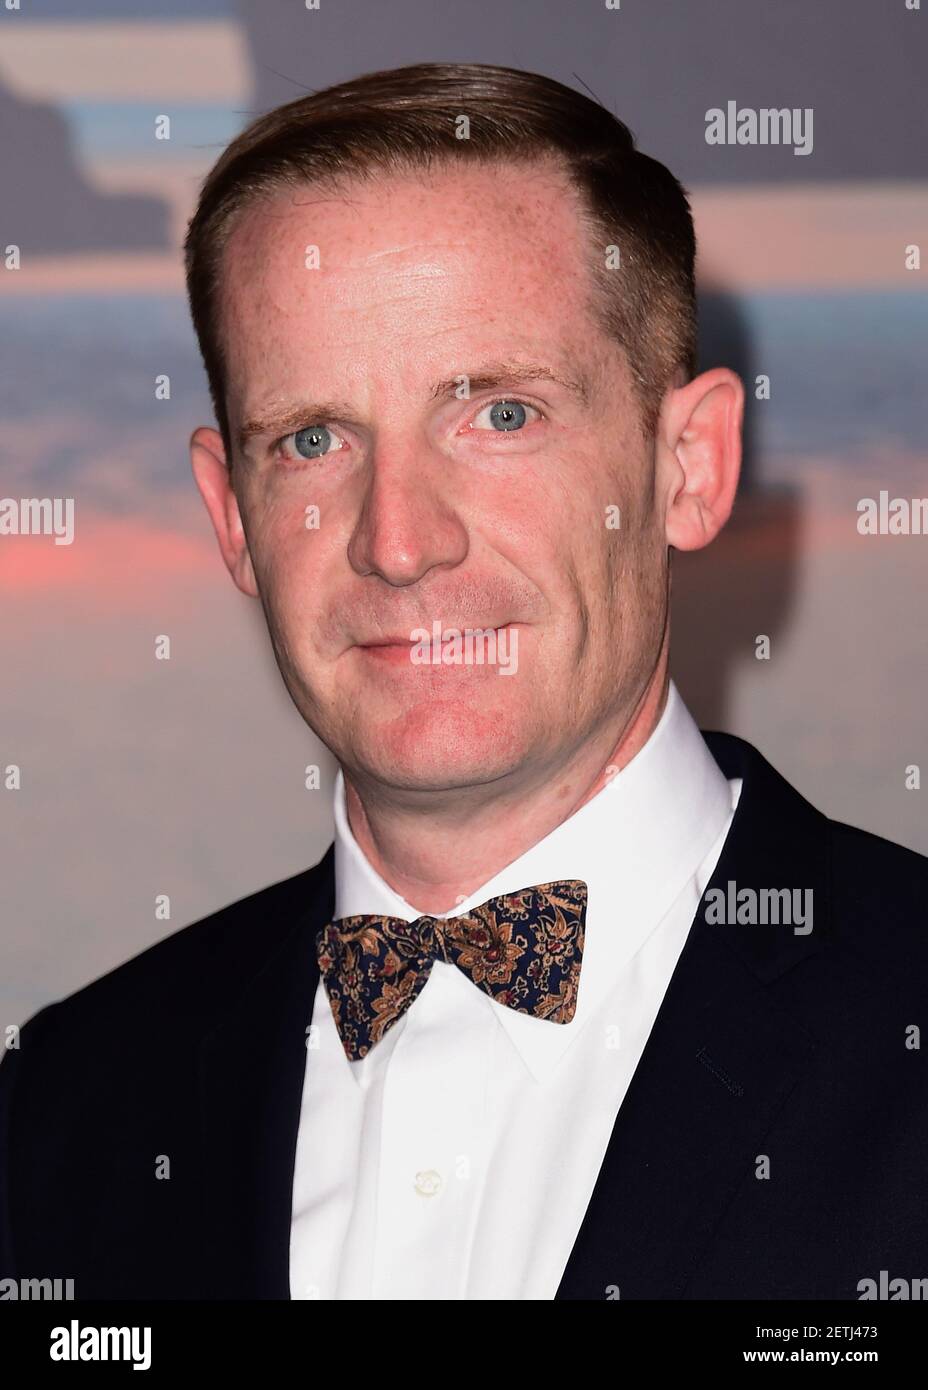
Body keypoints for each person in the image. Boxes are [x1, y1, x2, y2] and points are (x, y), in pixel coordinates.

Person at [2, 63, 926, 1302]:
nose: (399, 539)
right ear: (231, 515)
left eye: (498, 416)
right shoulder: (65, 1108)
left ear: (689, 464)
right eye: (313, 440)